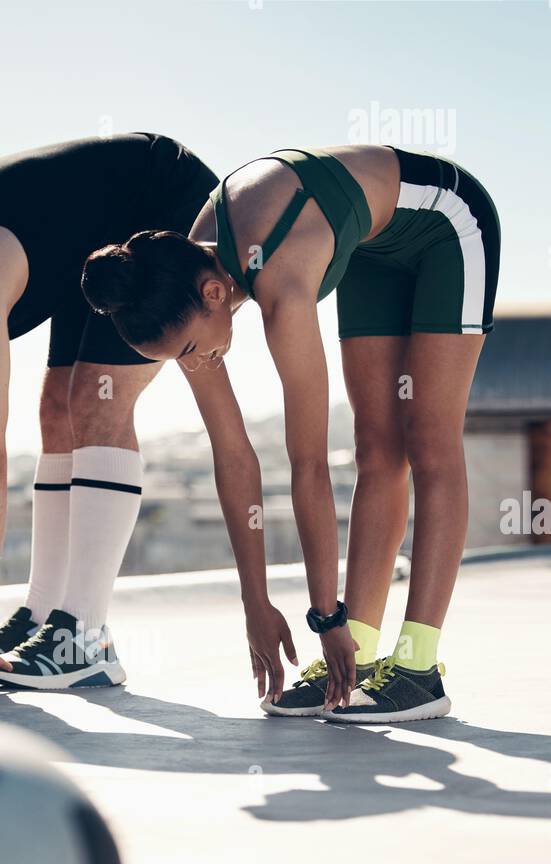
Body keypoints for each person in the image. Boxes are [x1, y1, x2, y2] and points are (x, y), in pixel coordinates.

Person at [0, 133, 291, 690]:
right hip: (84, 244)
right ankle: (45, 615)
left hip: (159, 201)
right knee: (55, 411)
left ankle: (84, 636)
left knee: (95, 396)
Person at [81, 145, 501, 721]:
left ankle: (418, 668)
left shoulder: (282, 282)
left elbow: (308, 466)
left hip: (448, 225)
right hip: (371, 250)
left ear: (212, 295)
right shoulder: (176, 276)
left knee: (427, 438)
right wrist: (257, 605)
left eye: (188, 350)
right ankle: (355, 658)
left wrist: (321, 615)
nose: (198, 362)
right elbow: (233, 455)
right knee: (376, 449)